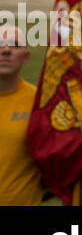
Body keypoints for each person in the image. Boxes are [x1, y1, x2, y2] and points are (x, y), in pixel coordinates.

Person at [0, 24, 43, 205]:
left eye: (15, 44)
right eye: (0, 44)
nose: (6, 50)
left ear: (26, 57)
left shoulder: (38, 103)